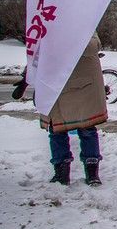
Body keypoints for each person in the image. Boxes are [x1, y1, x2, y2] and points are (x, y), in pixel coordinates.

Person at [37, 35, 107, 186]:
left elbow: (93, 46)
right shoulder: (49, 23)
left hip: (84, 84)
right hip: (55, 83)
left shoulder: (84, 24)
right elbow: (36, 50)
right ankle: (61, 172)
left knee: (87, 128)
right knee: (57, 129)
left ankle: (92, 172)